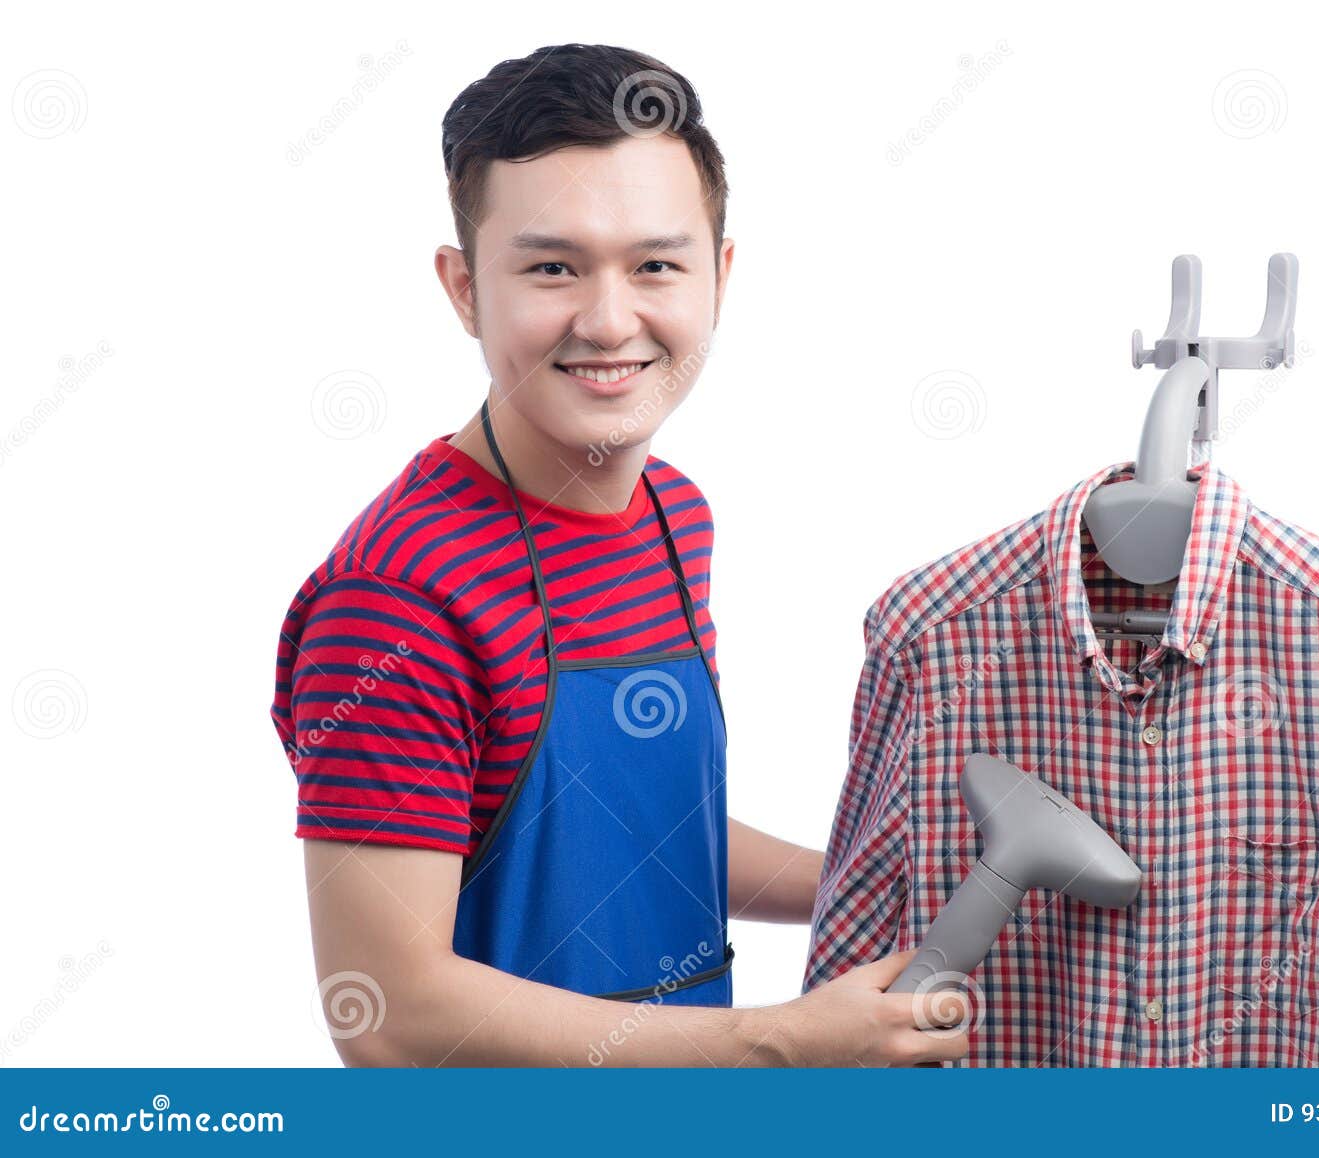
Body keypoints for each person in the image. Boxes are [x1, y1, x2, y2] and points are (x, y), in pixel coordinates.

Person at [270, 43, 969, 1066]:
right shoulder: (397, 601)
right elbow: (389, 1016)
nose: (609, 321)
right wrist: (778, 1045)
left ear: (718, 278)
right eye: (552, 267)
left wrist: (886, 880)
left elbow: (633, 837)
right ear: (464, 289)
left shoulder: (672, 518)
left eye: (655, 265)